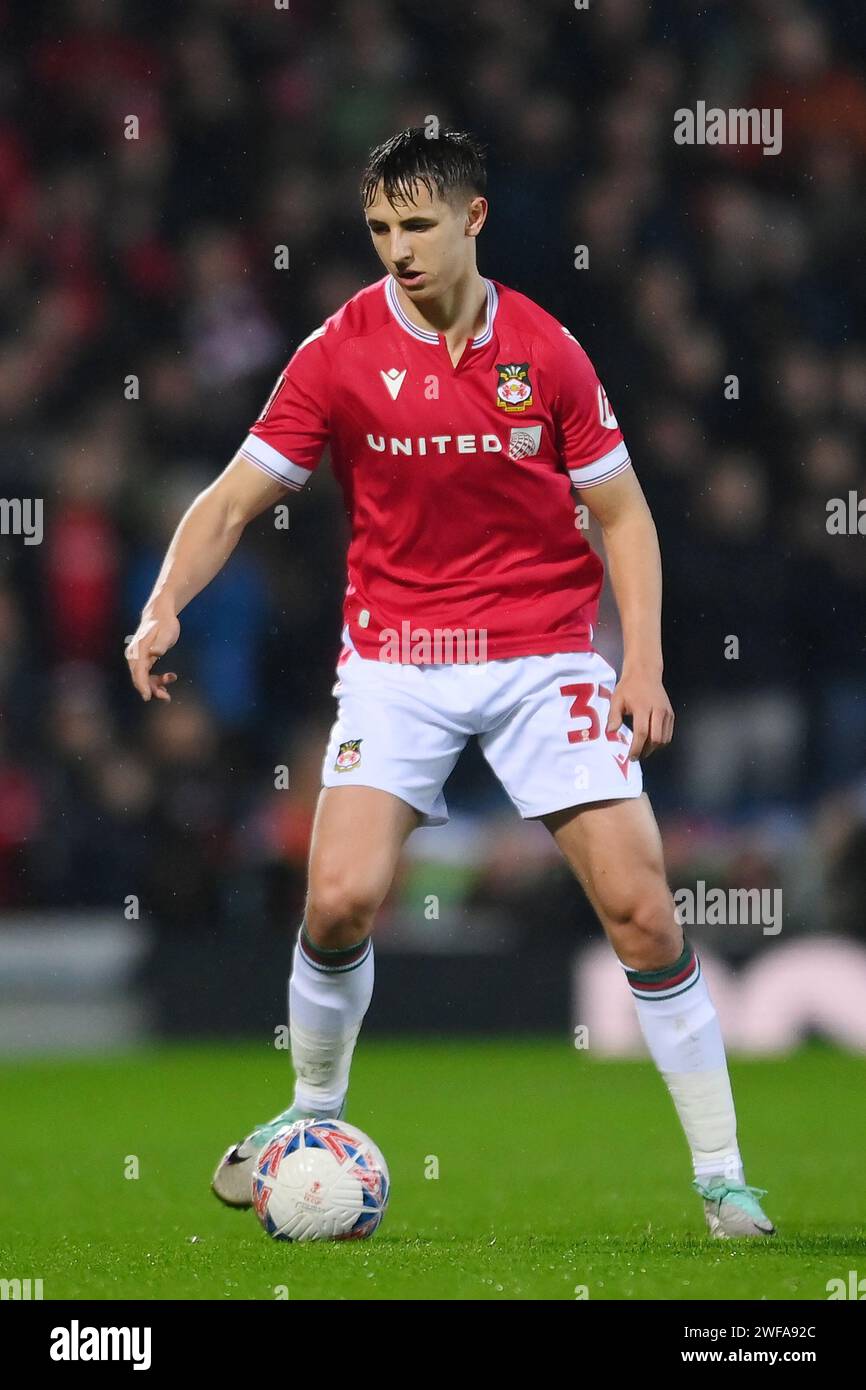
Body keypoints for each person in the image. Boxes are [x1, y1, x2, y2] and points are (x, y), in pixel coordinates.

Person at [125, 127, 774, 1238]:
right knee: (334, 901)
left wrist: (645, 659)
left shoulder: (548, 351)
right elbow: (232, 496)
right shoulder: (337, 351)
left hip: (543, 657)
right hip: (398, 664)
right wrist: (163, 600)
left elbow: (620, 511)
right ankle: (309, 1117)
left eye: (416, 225)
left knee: (641, 913)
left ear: (472, 218)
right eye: (378, 228)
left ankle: (720, 1176)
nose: (396, 250)